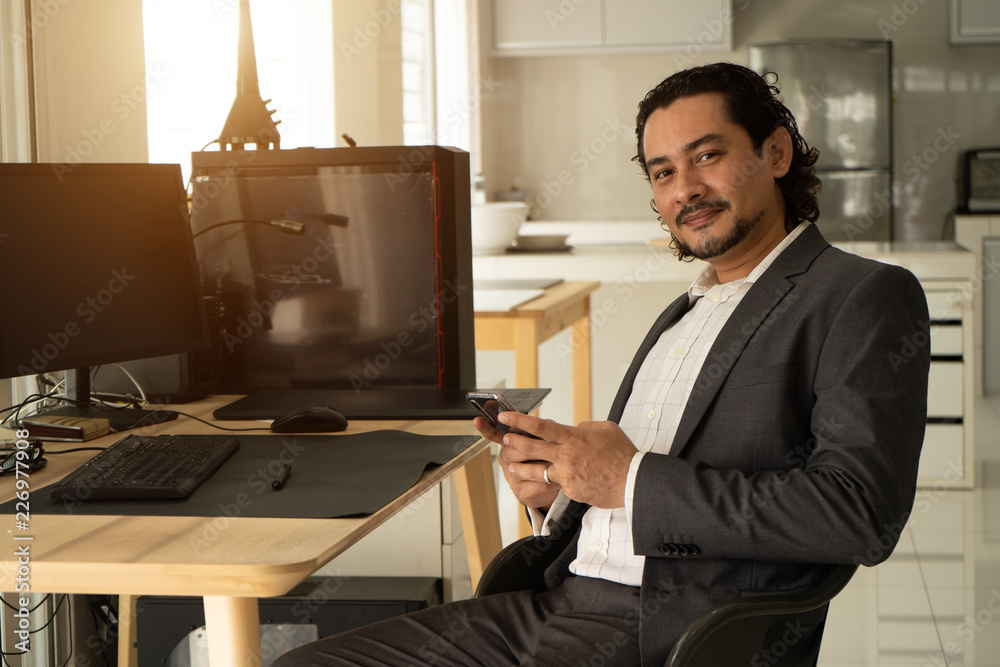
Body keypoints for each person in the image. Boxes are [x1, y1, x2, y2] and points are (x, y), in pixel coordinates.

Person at [274, 62, 930, 667]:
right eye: (663, 171)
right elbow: (623, 486)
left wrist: (628, 479)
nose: (686, 189)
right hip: (554, 599)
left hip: (671, 627)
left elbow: (858, 513)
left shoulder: (857, 294)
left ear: (776, 152)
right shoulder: (684, 311)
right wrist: (559, 489)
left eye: (707, 155)